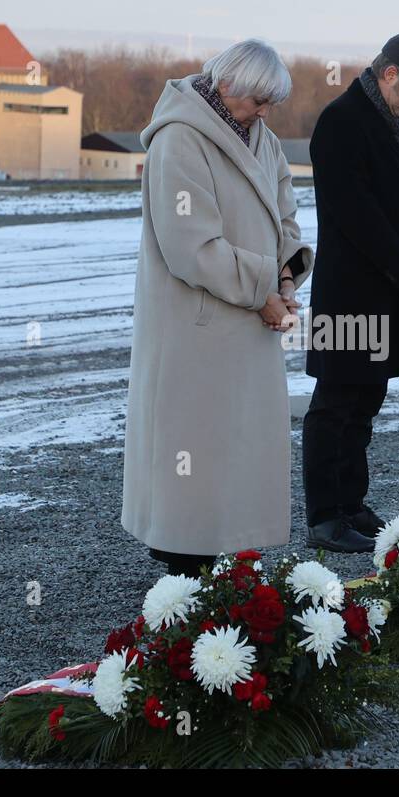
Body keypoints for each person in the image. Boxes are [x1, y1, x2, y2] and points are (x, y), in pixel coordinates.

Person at [121, 39, 313, 576]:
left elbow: (286, 217)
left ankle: (227, 580)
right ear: (225, 85)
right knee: (194, 464)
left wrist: (286, 273)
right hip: (196, 328)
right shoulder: (179, 140)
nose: (264, 113)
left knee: (239, 457)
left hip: (251, 321)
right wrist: (265, 290)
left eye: (270, 103)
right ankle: (184, 587)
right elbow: (191, 247)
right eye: (257, 100)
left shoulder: (263, 140)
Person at [302, 33, 399, 553]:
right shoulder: (339, 122)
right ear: (390, 73)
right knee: (336, 401)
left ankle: (352, 504)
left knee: (367, 399)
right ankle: (324, 517)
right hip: (349, 292)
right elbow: (353, 210)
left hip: (390, 289)